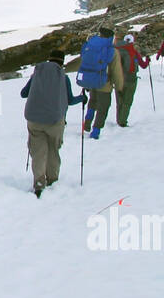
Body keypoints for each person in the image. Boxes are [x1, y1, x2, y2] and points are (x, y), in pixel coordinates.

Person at [19, 49, 87, 196]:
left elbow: (23, 93)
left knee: (38, 152)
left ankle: (38, 183)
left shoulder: (37, 74)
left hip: (34, 119)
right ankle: (52, 181)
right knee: (53, 151)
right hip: (55, 121)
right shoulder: (63, 77)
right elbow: (70, 100)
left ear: (49, 60)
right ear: (61, 62)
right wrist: (82, 98)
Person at [81, 26, 124, 140]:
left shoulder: (92, 46)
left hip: (92, 81)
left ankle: (87, 123)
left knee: (93, 101)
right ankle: (96, 131)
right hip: (105, 83)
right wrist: (119, 87)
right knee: (103, 107)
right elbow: (116, 71)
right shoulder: (112, 51)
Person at [115, 34, 150, 127]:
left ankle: (119, 119)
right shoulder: (133, 52)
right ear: (132, 42)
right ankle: (122, 122)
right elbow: (143, 65)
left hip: (117, 79)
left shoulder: (116, 51)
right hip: (130, 79)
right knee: (127, 101)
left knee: (119, 101)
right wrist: (147, 60)